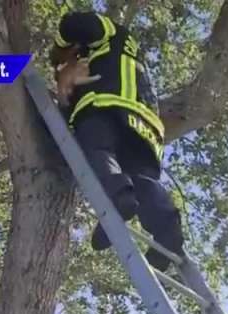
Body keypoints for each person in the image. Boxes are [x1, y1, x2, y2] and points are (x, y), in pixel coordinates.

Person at [49, 11, 185, 272]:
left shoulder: (112, 35)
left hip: (107, 110)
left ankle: (117, 199)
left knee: (96, 150)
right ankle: (167, 230)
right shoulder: (118, 63)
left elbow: (74, 23)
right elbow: (66, 111)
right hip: (146, 128)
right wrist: (66, 87)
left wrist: (61, 48)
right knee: (143, 180)